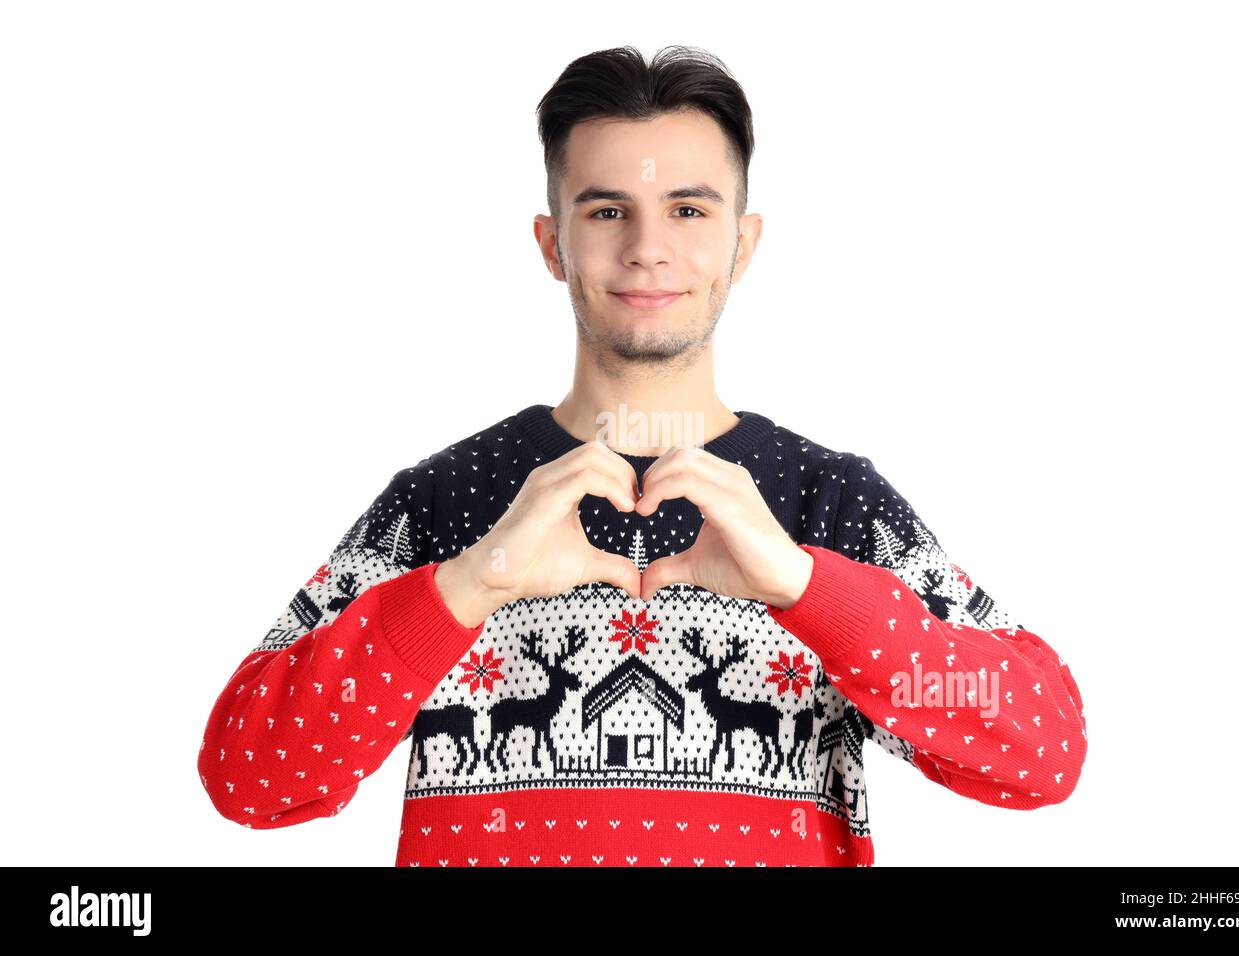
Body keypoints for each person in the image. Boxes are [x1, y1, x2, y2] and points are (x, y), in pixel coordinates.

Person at [197, 44, 1086, 867]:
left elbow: (1043, 754)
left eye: (689, 209)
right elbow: (247, 779)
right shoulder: (446, 502)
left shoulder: (831, 504)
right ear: (553, 244)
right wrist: (467, 586)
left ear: (743, 242)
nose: (648, 248)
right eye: (607, 210)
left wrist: (808, 591)